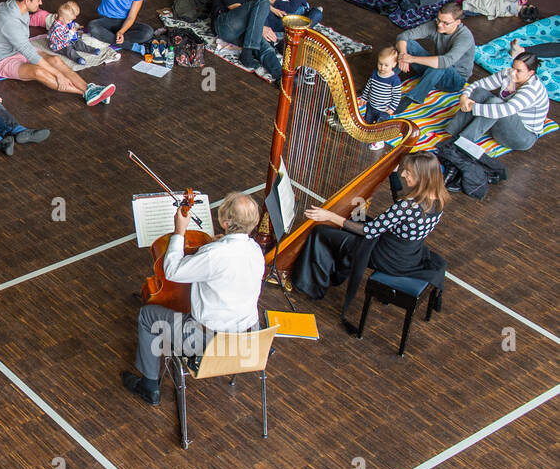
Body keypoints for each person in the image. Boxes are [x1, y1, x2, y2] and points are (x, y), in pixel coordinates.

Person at [120, 193, 264, 406]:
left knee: (148, 315)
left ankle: (149, 386)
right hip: (247, 343)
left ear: (224, 222)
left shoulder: (214, 254)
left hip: (208, 344)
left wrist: (179, 231)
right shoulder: (255, 251)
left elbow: (172, 271)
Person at [294, 152, 447, 323]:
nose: (404, 174)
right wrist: (393, 175)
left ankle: (312, 286)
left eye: (409, 172)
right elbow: (401, 210)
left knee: (321, 232)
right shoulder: (439, 198)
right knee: (354, 219)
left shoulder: (408, 205)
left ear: (423, 177)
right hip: (408, 255)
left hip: (386, 256)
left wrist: (329, 216)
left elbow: (369, 231)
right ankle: (338, 270)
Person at [0, 0, 114, 105]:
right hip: (3, 60)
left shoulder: (18, 5)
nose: (41, 3)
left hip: (18, 49)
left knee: (55, 60)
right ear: (27, 1)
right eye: (38, 0)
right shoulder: (8, 22)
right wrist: (58, 75)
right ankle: (86, 93)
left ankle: (90, 88)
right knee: (38, 71)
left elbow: (27, 48)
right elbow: (29, 52)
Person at [438, 52, 548, 155]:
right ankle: (452, 132)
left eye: (518, 71)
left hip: (522, 137)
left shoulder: (532, 90)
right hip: (500, 125)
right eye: (513, 67)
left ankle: (463, 142)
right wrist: (464, 96)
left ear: (531, 73)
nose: (513, 73)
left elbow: (504, 110)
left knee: (496, 104)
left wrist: (474, 107)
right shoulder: (508, 73)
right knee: (479, 92)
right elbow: (479, 85)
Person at [393, 2, 476, 113]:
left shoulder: (465, 37)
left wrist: (412, 59)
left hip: (455, 80)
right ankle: (387, 80)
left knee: (441, 64)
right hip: (434, 69)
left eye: (445, 23)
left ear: (457, 22)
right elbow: (403, 36)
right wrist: (403, 55)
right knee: (408, 44)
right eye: (438, 20)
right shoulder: (436, 25)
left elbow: (446, 61)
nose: (439, 25)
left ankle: (411, 98)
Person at [213, 0, 283, 79]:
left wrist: (261, 25)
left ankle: (281, 77)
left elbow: (254, 12)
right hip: (224, 25)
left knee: (263, 45)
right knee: (264, 2)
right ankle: (247, 52)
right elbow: (237, 9)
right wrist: (260, 27)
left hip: (240, 30)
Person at [47, 1, 99, 65]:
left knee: (79, 42)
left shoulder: (63, 21)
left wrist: (73, 30)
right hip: (59, 46)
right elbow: (64, 40)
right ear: (61, 18)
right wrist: (71, 32)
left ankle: (91, 50)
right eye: (69, 20)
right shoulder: (56, 28)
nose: (70, 21)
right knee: (69, 50)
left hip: (67, 39)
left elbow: (67, 31)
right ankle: (78, 59)